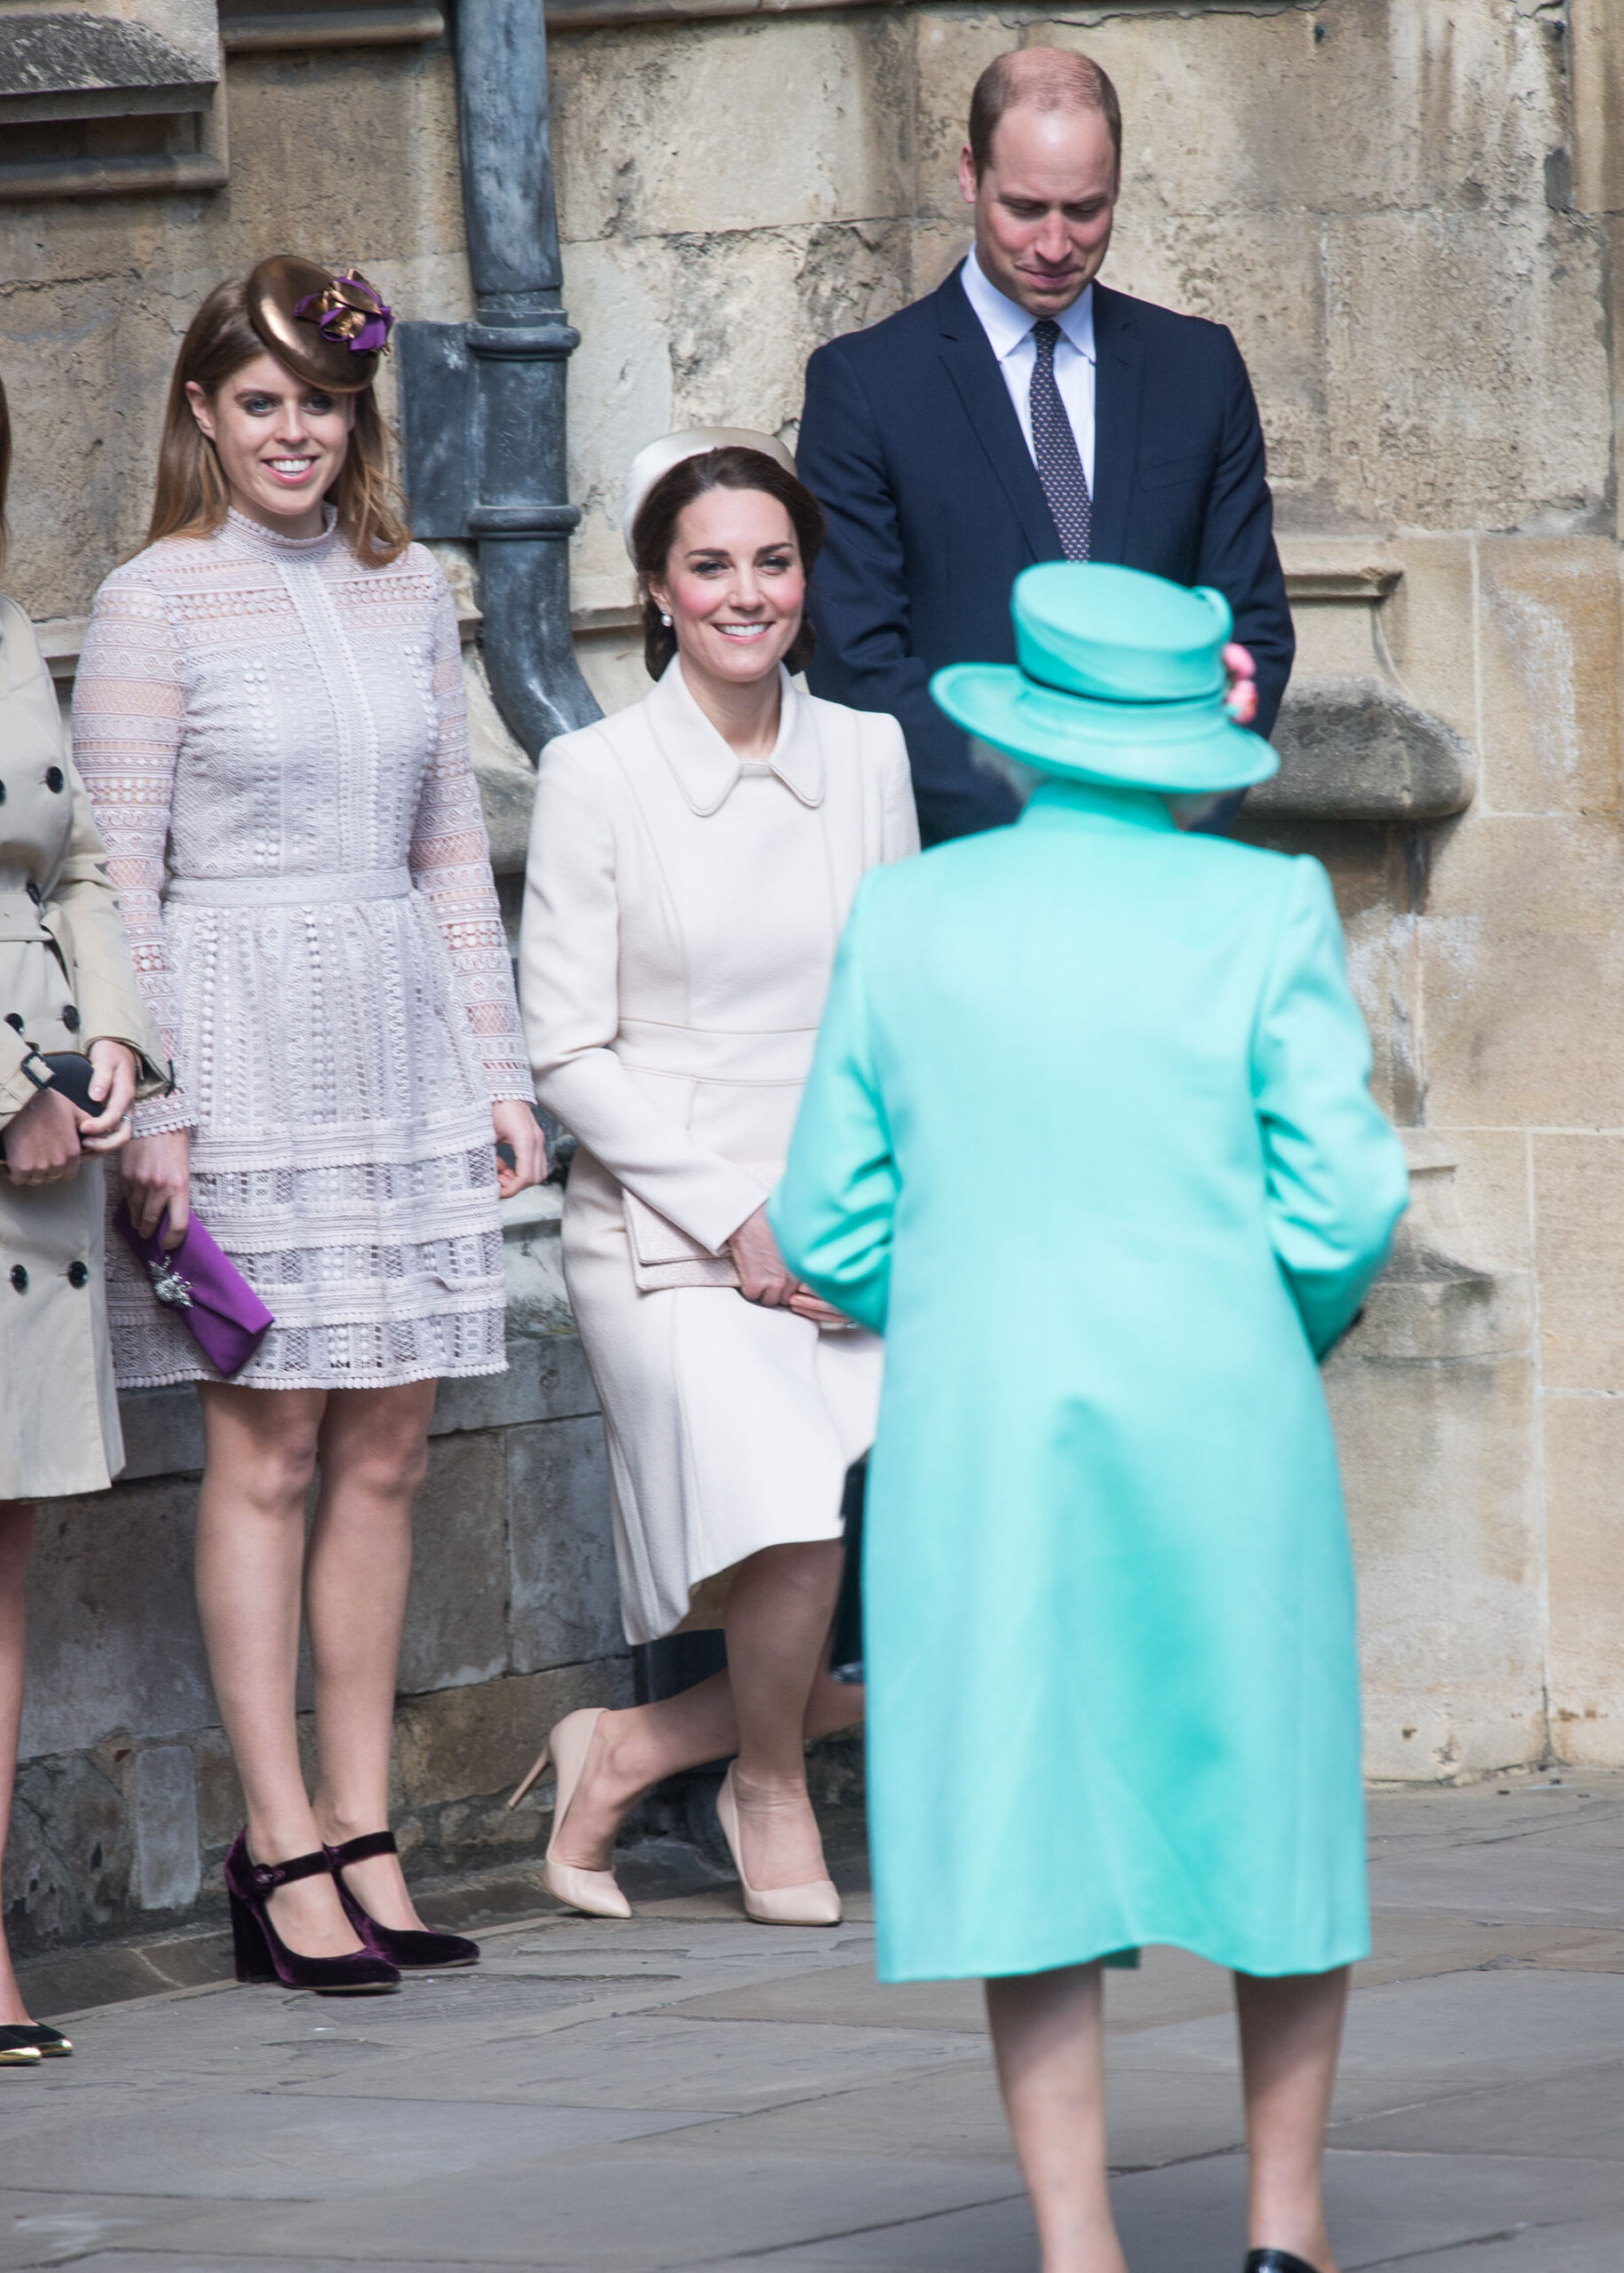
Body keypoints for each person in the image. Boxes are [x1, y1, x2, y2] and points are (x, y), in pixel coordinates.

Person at [772, 561, 1408, 2273]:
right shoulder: (1263, 910)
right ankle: (1284, 2230)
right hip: (1221, 1410)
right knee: (1264, 1794)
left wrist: (975, 1305)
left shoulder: (907, 919)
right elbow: (1342, 1201)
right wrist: (1255, 1322)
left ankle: (1075, 2247)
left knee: (1018, 1812)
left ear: (1020, 738)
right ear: (1181, 746)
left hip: (984, 1431)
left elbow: (825, 1215)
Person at [72, 258, 545, 1995]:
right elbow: (116, 869)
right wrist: (157, 1105)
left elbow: (444, 851)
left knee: (389, 1442)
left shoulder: (407, 583)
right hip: (241, 1036)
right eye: (259, 398)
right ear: (203, 408)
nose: (292, 430)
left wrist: (497, 1073)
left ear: (358, 418)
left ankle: (365, 1824)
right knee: (265, 1441)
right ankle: (273, 1840)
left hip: (399, 1034)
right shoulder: (154, 599)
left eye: (321, 401)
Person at [515, 432, 917, 1924]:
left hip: (839, 1210)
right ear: (655, 591)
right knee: (796, 1511)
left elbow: (893, 1008)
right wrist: (738, 1217)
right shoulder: (594, 774)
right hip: (663, 1228)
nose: (744, 593)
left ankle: (624, 1752)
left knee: (963, 1551)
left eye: (770, 561)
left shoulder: (866, 755)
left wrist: (844, 1211)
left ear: (803, 582)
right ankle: (761, 1785)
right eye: (709, 566)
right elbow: (564, 1048)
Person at [796, 46, 1291, 847]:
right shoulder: (865, 386)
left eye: (1084, 209)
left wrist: (1158, 810)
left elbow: (1249, 629)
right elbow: (858, 662)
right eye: (1024, 209)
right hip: (962, 864)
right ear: (969, 174)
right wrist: (1050, 829)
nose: (1055, 245)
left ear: (1118, 183)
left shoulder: (1198, 370)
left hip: (1163, 856)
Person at [0, 375, 170, 2062]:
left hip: (49, 1148)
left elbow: (77, 860)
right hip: (10, 1130)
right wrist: (16, 1088)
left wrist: (111, 1036)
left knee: (6, 1564)